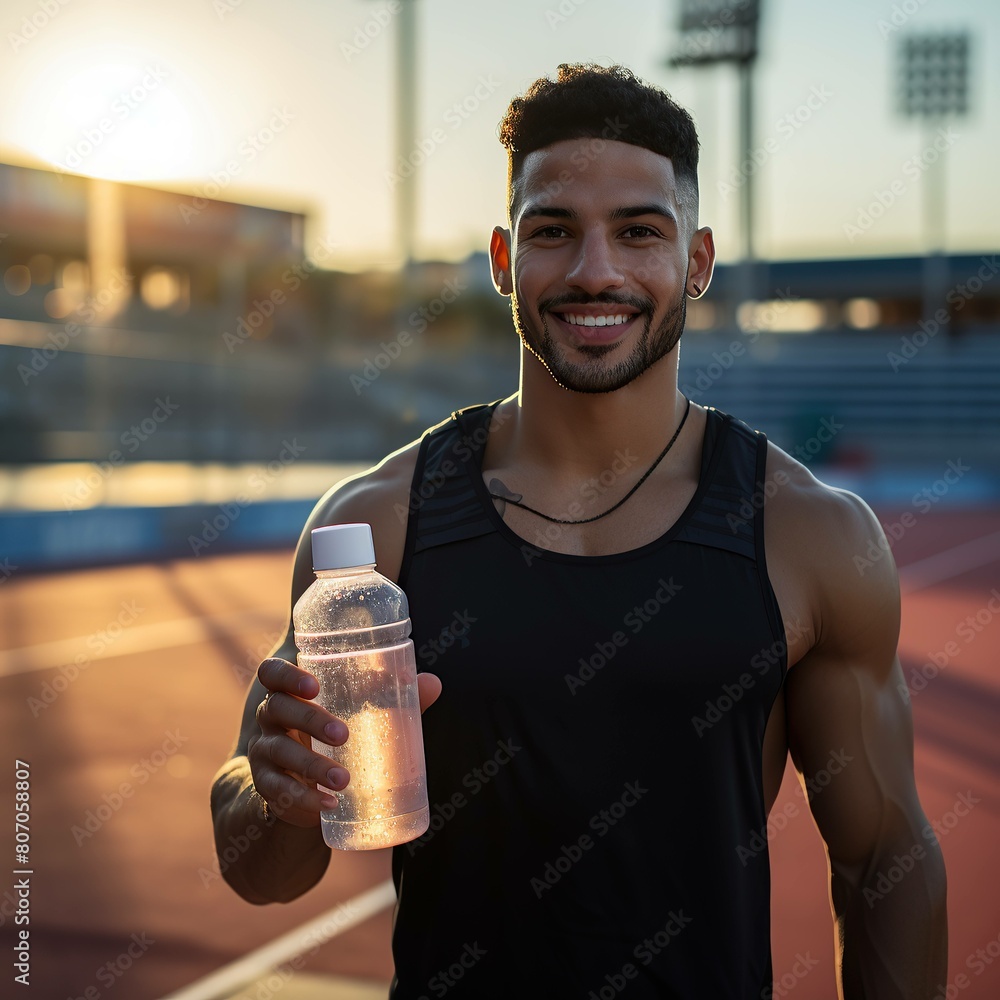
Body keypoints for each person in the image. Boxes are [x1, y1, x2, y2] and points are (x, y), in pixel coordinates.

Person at [211, 63, 947, 997]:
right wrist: (273, 799)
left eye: (640, 231)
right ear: (503, 260)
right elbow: (261, 874)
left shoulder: (808, 537)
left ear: (698, 261)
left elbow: (887, 860)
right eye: (553, 231)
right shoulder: (374, 528)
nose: (596, 270)